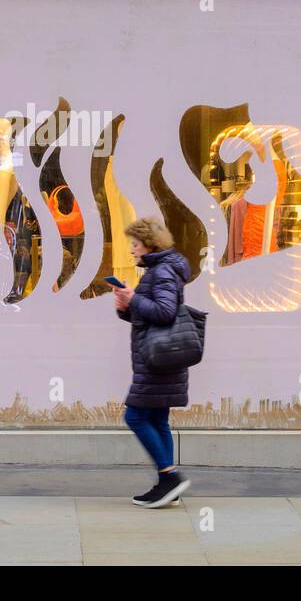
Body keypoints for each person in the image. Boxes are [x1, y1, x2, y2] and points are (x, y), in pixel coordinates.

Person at [113, 216, 192, 508]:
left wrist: (133, 299)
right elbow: (150, 314)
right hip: (158, 359)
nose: (132, 250)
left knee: (134, 416)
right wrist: (125, 306)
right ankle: (167, 487)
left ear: (149, 244)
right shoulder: (161, 270)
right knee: (157, 419)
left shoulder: (162, 272)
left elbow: (165, 312)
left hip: (156, 360)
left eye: (135, 244)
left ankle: (170, 476)